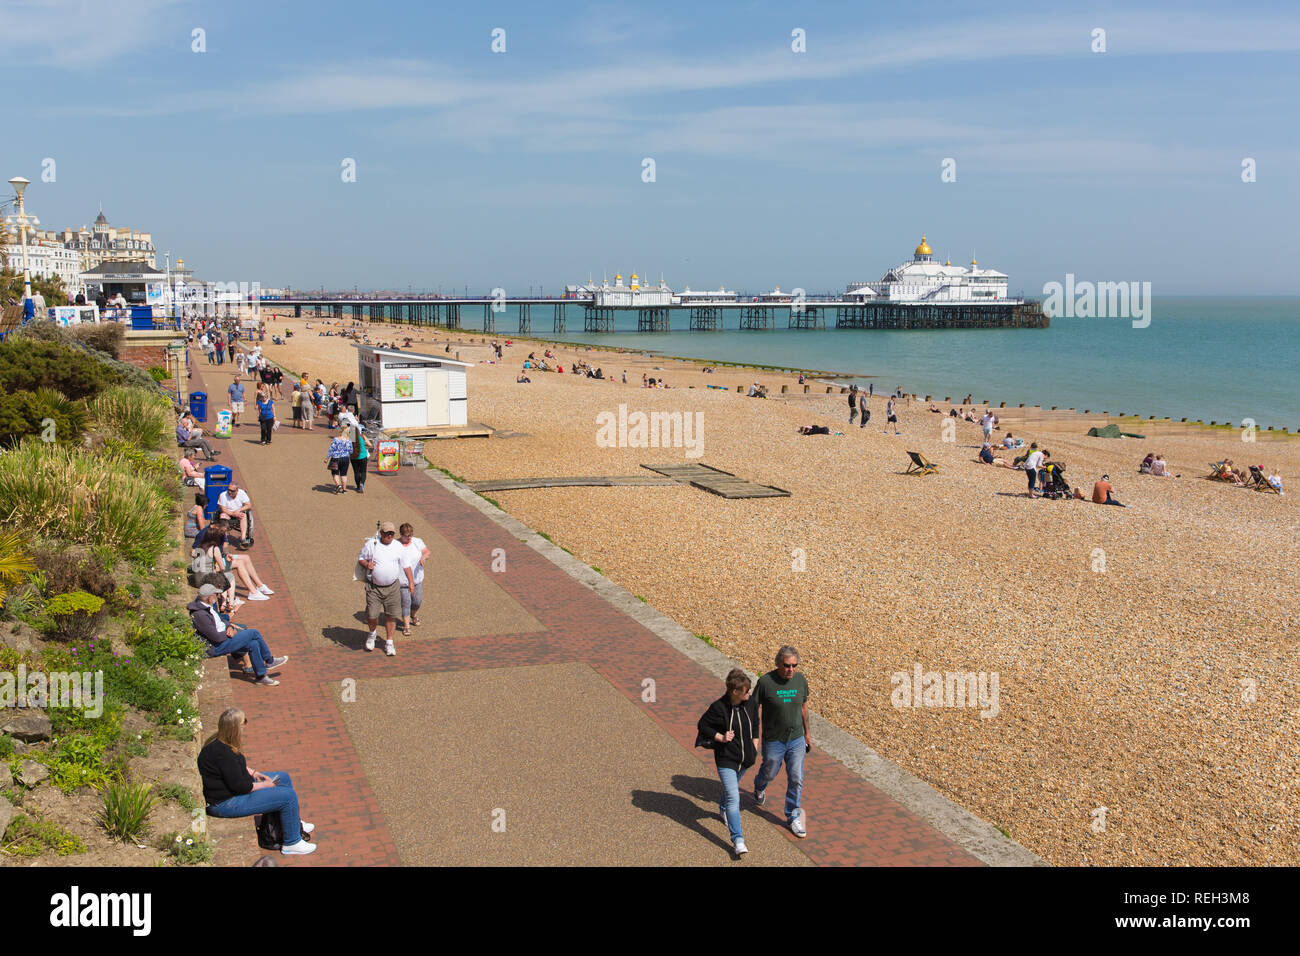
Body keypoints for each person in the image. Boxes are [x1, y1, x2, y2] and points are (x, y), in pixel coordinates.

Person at [199, 707, 317, 855]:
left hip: (232, 791)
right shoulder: (223, 754)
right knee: (288, 797)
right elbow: (241, 787)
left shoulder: (219, 741)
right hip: (225, 803)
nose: (245, 725)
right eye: (244, 722)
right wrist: (266, 785)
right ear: (235, 728)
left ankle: (294, 824)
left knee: (283, 777)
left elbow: (234, 767)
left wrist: (254, 772)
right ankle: (292, 842)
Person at [697, 668, 760, 857]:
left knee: (730, 792)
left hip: (746, 760)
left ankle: (722, 808)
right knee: (734, 796)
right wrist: (720, 737)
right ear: (735, 692)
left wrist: (754, 747)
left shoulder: (750, 704)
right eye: (746, 691)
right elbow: (702, 725)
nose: (749, 694)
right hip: (726, 760)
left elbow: (755, 725)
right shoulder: (719, 707)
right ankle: (738, 839)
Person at [751, 645, 810, 839]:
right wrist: (754, 736)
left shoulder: (800, 681)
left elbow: (803, 707)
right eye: (786, 665)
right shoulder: (766, 682)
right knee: (769, 772)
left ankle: (793, 815)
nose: (790, 670)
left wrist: (807, 734)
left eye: (794, 666)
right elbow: (753, 709)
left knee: (796, 778)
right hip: (774, 740)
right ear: (778, 663)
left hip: (796, 739)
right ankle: (759, 787)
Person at [187, 585, 286, 684]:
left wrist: (230, 627)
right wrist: (232, 633)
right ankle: (269, 661)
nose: (217, 596)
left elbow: (221, 620)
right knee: (254, 633)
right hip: (215, 647)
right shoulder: (200, 615)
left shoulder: (207, 606)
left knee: (253, 644)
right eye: (216, 594)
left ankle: (261, 676)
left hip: (223, 638)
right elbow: (216, 637)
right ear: (209, 597)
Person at [358, 521, 415, 657]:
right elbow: (361, 558)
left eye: (391, 533)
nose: (389, 536)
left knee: (391, 616)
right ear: (381, 533)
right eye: (386, 533)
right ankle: (372, 634)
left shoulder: (398, 546)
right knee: (372, 615)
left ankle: (389, 642)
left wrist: (411, 582)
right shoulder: (372, 544)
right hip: (374, 588)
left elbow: (406, 566)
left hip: (392, 587)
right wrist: (367, 564)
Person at [396, 523, 430, 636]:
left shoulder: (417, 542)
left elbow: (426, 552)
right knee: (406, 602)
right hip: (402, 581)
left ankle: (413, 615)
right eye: (406, 536)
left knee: (417, 602)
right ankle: (406, 626)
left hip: (417, 579)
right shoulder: (395, 545)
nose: (409, 538)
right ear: (401, 535)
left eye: (411, 535)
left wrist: (424, 557)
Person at [326, 429, 352, 493]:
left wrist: (327, 458)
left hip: (336, 458)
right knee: (344, 474)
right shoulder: (349, 440)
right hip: (345, 458)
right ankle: (344, 489)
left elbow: (331, 449)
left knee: (335, 473)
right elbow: (351, 451)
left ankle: (338, 485)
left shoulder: (336, 439)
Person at [349, 420, 371, 493]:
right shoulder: (362, 436)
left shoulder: (349, 439)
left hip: (353, 457)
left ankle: (358, 487)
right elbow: (370, 445)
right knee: (363, 472)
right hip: (363, 456)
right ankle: (362, 483)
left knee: (356, 472)